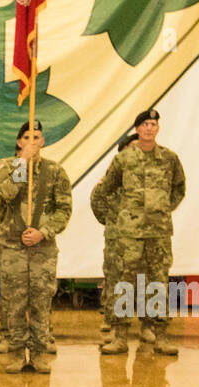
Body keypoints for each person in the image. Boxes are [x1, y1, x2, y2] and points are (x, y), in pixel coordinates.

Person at [90, 107, 186, 355]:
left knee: (158, 283)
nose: (149, 128)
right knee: (124, 283)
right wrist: (123, 216)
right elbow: (106, 189)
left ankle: (160, 336)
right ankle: (120, 336)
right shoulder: (124, 159)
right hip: (129, 234)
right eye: (144, 125)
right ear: (137, 129)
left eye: (153, 124)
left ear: (158, 128)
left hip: (158, 233)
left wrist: (163, 209)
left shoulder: (169, 158)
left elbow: (179, 189)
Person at [0, 120, 72, 373]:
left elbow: (64, 210)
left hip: (42, 248)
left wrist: (43, 232)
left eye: (37, 138)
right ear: (18, 142)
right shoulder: (7, 166)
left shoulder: (55, 171)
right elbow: (8, 193)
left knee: (41, 300)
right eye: (27, 138)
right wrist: (23, 161)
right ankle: (15, 352)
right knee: (14, 301)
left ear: (43, 141)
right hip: (12, 246)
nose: (32, 142)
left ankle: (38, 353)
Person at [89, 132, 138, 346]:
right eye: (131, 147)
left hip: (142, 236)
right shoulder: (114, 174)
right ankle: (113, 322)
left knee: (143, 280)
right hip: (117, 238)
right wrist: (111, 220)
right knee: (115, 280)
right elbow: (97, 197)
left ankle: (146, 325)